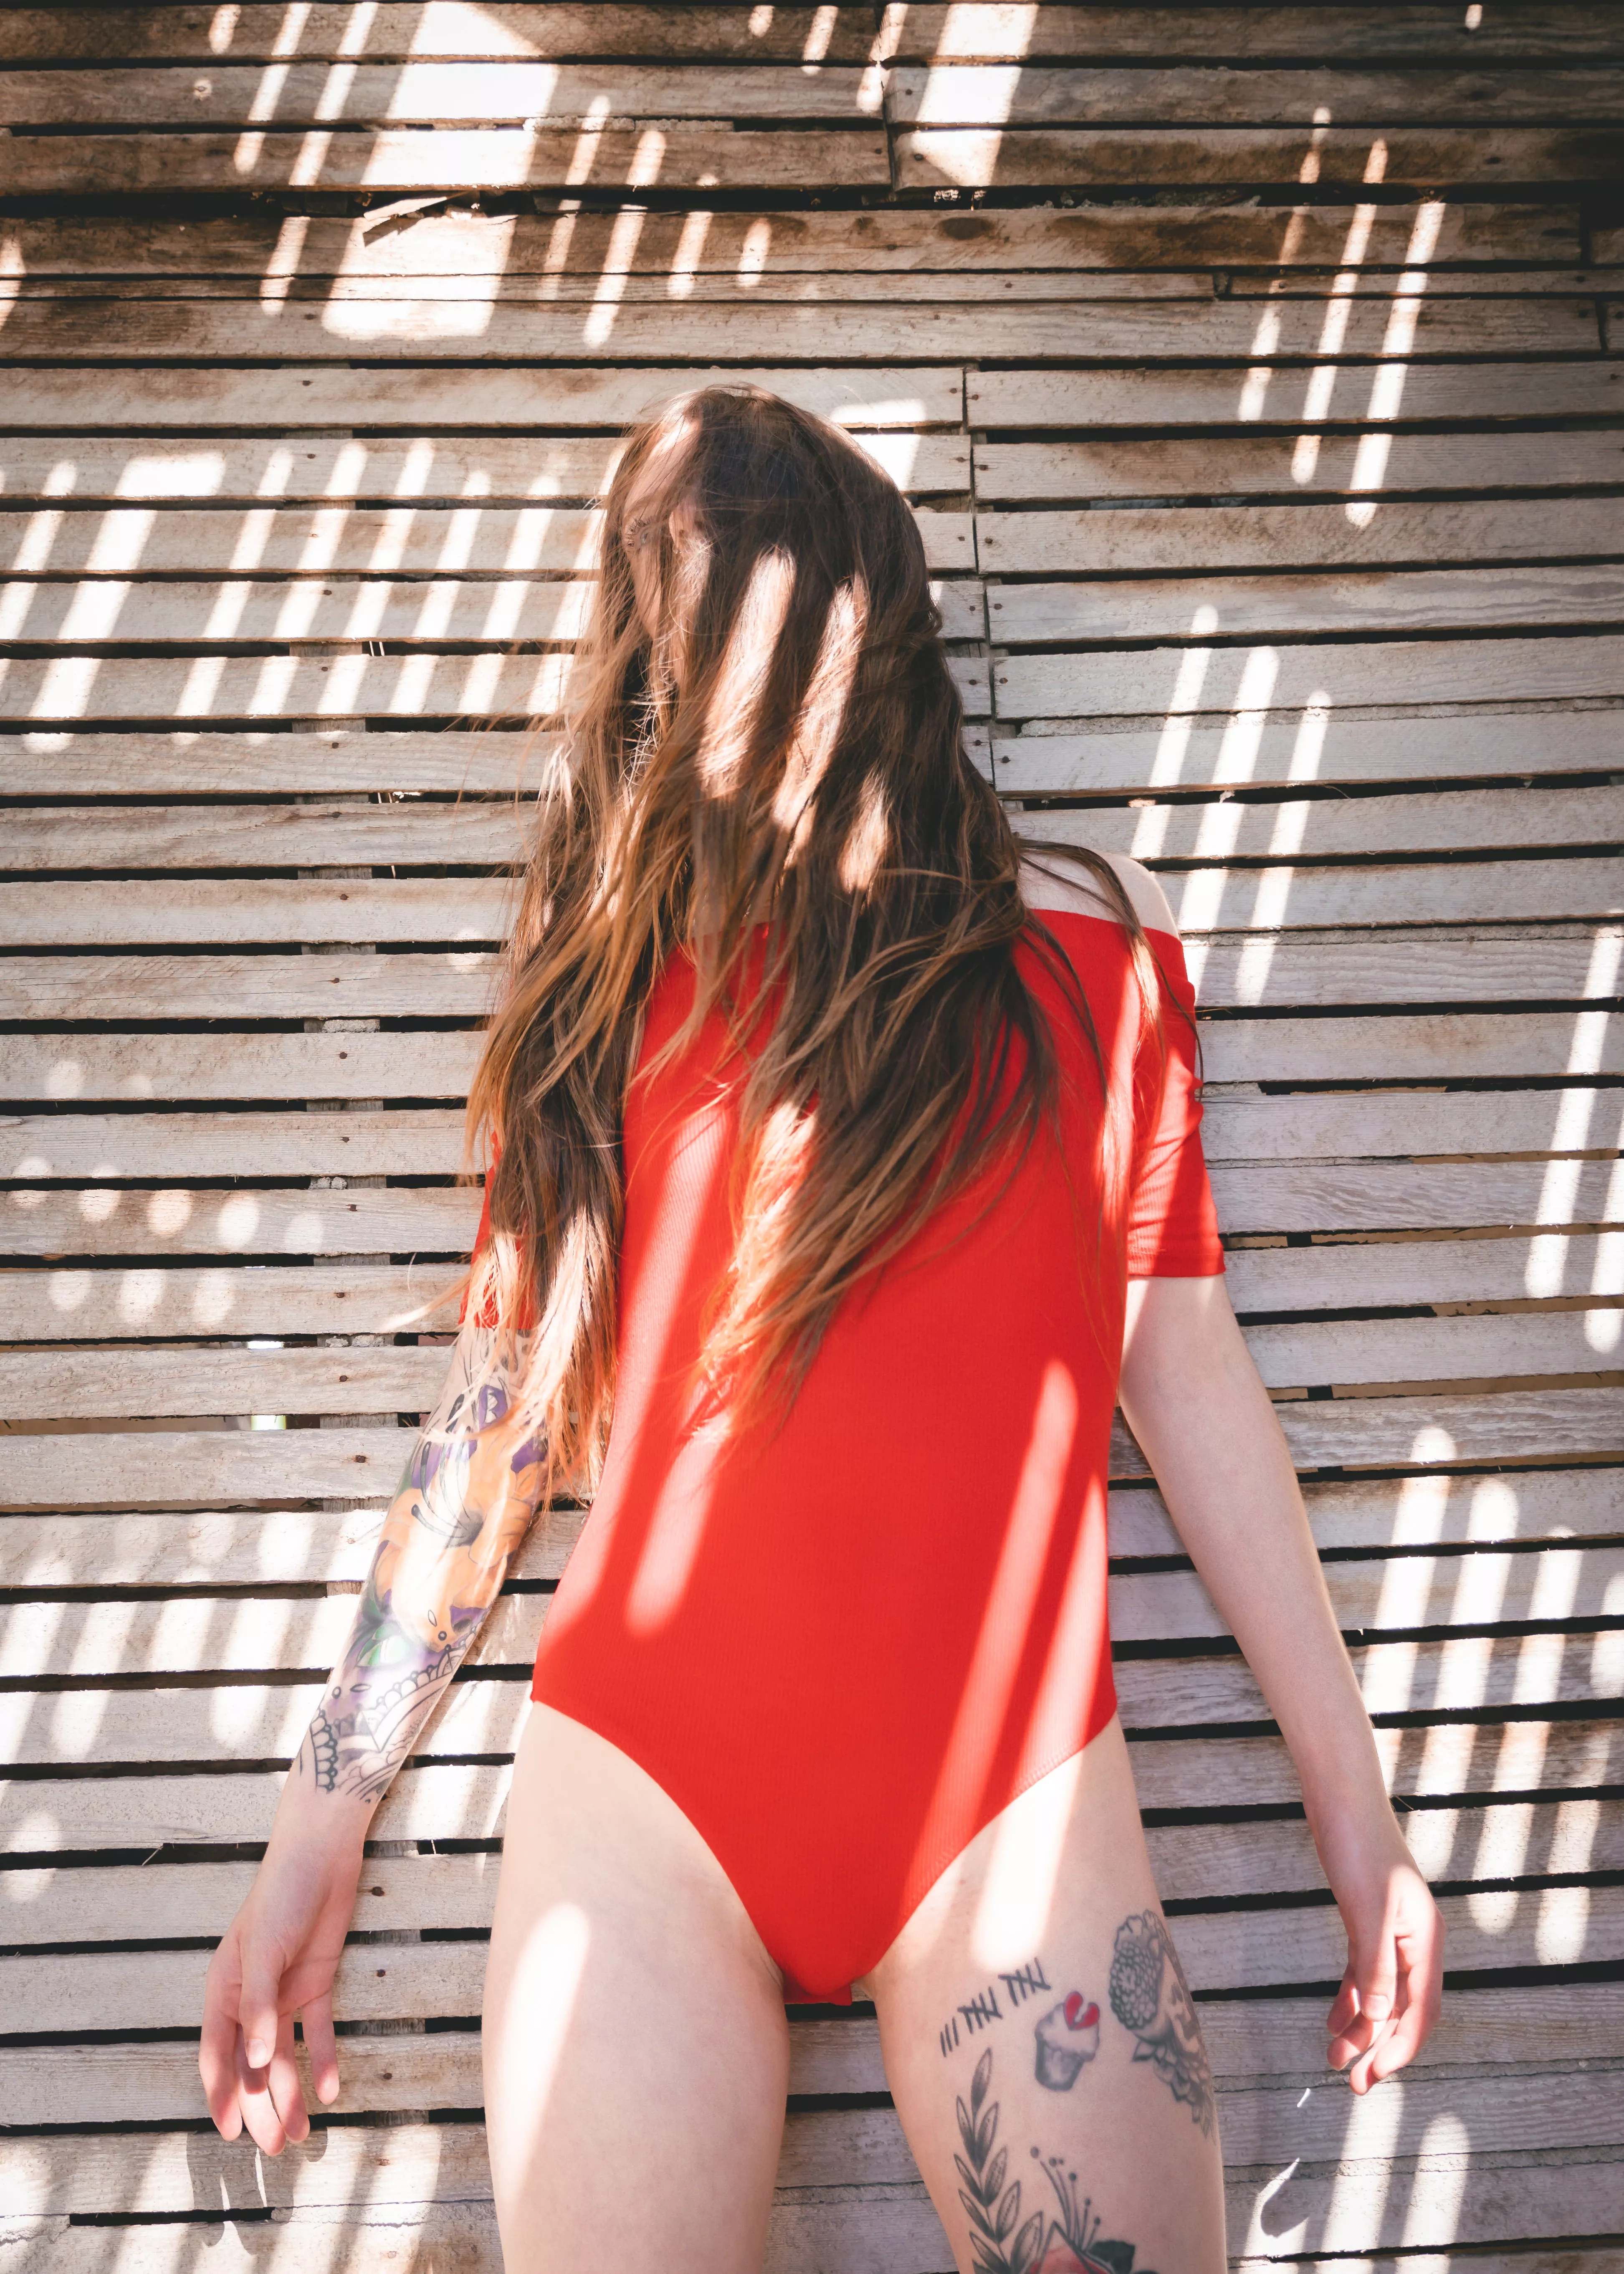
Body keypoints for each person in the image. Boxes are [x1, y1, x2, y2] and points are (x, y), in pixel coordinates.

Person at [199, 385, 1442, 2274]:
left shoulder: (1092, 954)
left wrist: (1365, 1825)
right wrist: (313, 1835)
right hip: (648, 1797)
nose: (711, 695)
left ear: (861, 628)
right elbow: (504, 1411)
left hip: (1010, 1799)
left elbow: (1190, 1385)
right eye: (674, 642)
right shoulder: (616, 980)